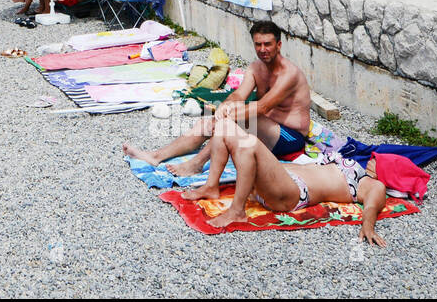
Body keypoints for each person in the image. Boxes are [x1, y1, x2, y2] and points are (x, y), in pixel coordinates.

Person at [122, 20, 313, 177]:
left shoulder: (289, 74)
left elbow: (262, 107)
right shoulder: (256, 68)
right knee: (209, 122)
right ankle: (157, 155)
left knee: (235, 121)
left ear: (278, 45)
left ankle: (197, 163)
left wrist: (230, 115)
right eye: (258, 44)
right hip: (266, 129)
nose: (263, 49)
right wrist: (227, 105)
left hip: (290, 138)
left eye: (268, 44)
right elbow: (239, 94)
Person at [181, 122, 393, 243]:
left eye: (379, 162)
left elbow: (372, 205)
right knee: (225, 127)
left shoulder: (371, 184)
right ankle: (211, 187)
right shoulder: (349, 164)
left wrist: (368, 226)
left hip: (293, 193)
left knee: (250, 142)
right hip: (279, 178)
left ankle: (237, 211)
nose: (373, 160)